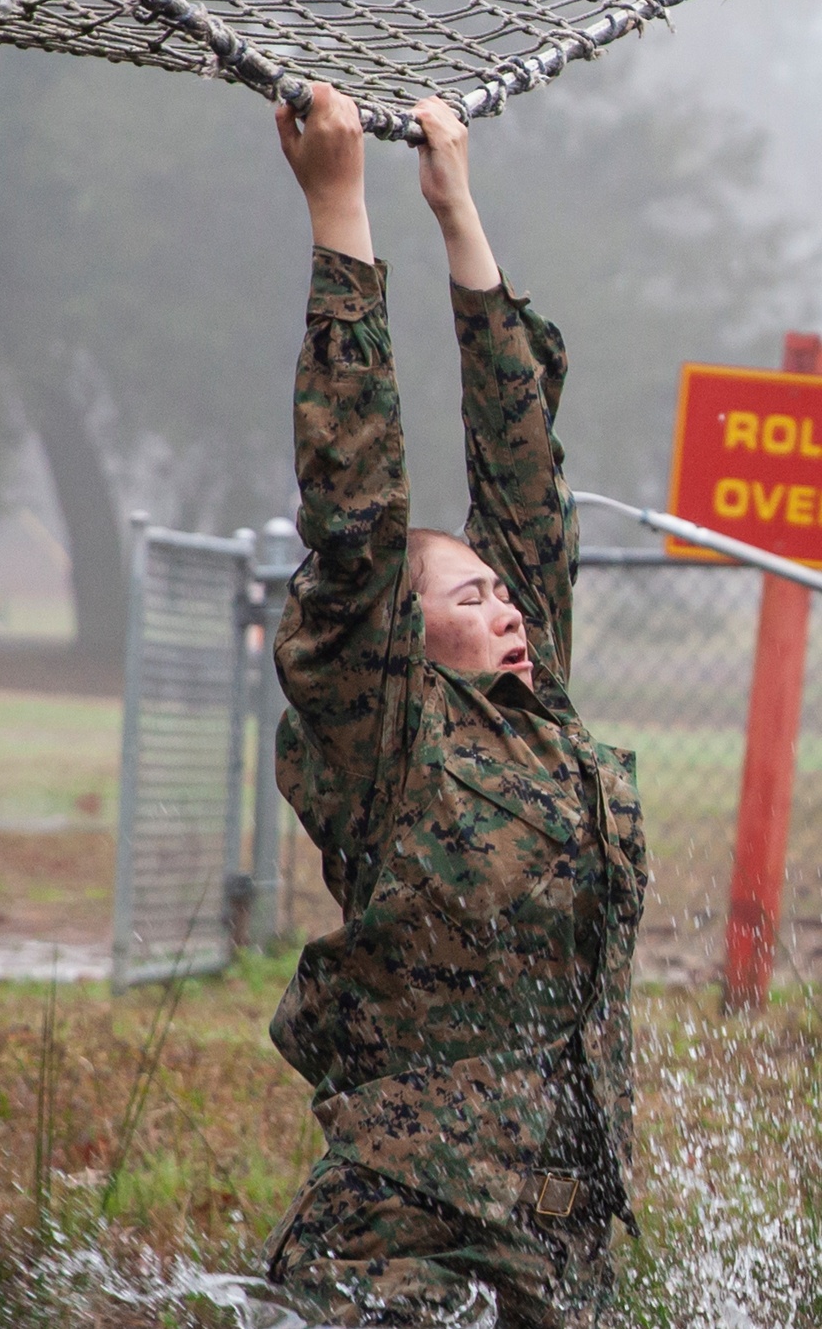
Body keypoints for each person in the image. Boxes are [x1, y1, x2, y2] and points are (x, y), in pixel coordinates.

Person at [263, 85, 647, 1329]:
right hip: (408, 1233)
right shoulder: (388, 736)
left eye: (505, 591)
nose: (509, 605)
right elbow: (360, 505)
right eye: (473, 594)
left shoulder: (540, 718)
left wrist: (455, 211)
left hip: (555, 1225)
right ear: (404, 636)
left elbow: (522, 463)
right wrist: (340, 208)